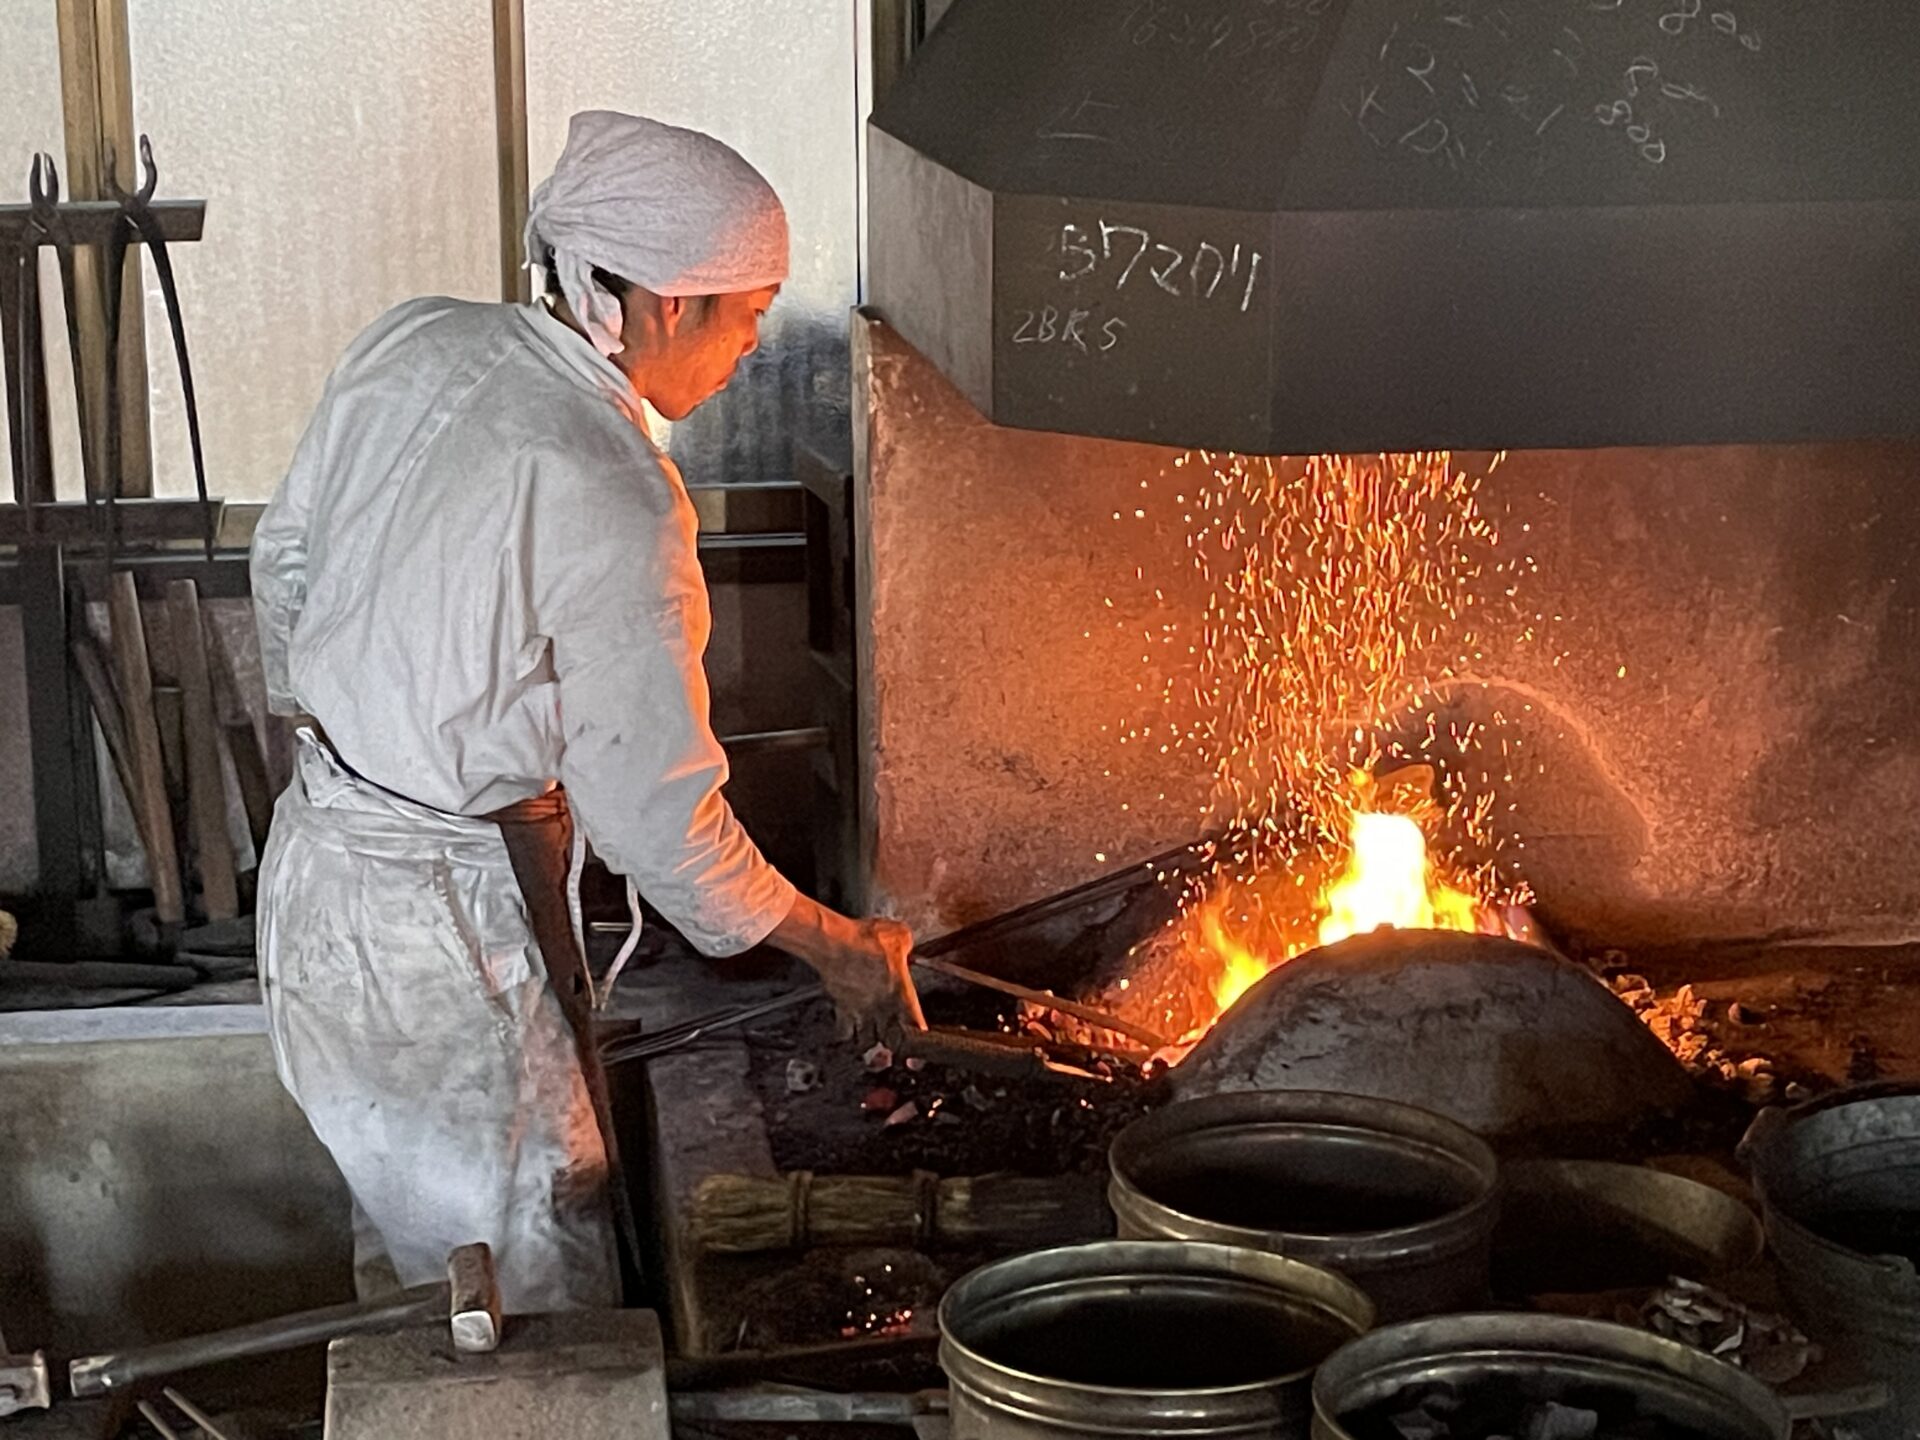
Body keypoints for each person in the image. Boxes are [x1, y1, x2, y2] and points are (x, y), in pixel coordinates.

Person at [249, 110, 925, 1313]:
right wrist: (836, 945)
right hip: (435, 941)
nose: (757, 345)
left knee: (422, 1271)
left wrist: (370, 739)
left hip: (317, 879)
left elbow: (283, 561)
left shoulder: (414, 340)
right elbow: (662, 828)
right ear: (669, 304)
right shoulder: (616, 489)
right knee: (523, 1305)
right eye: (753, 310)